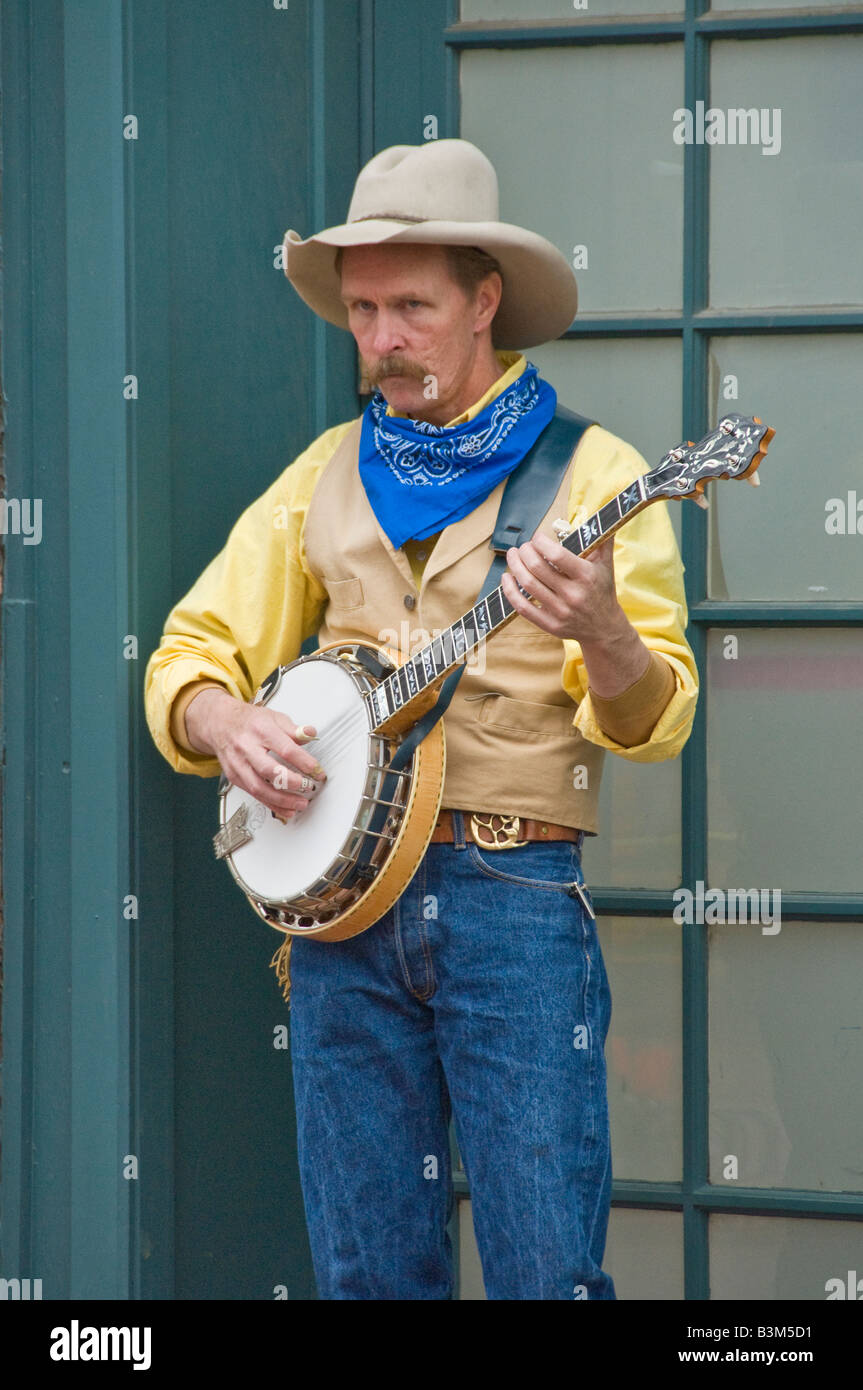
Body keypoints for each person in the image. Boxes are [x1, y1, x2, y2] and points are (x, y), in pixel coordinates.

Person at [144, 138, 698, 1301]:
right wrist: (220, 721)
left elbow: (659, 718)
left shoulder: (597, 473)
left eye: (409, 306)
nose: (381, 338)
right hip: (340, 927)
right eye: (360, 311)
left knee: (545, 1276)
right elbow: (191, 652)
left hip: (515, 902)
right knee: (366, 1279)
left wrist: (599, 629)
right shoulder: (322, 473)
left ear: (483, 300)